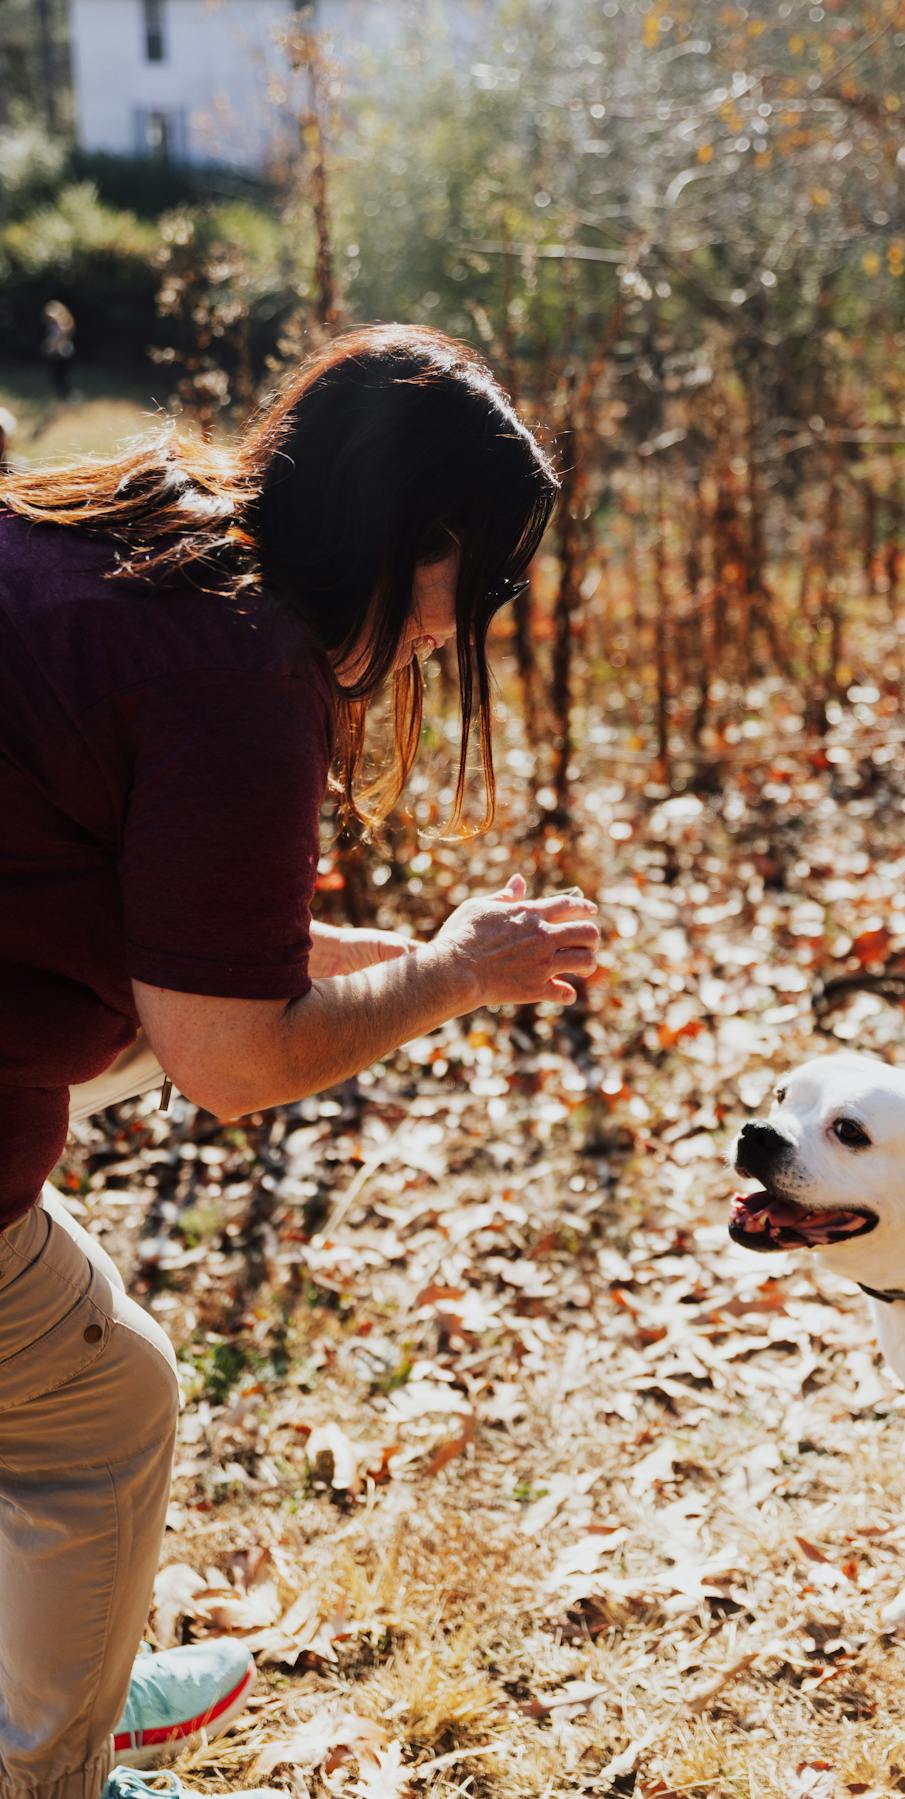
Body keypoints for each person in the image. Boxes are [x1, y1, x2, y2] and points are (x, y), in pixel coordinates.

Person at [0, 323, 601, 1799]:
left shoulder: (139, 520)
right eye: (483, 585)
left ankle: (60, 1666)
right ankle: (52, 1757)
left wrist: (429, 949)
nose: (452, 631)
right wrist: (452, 975)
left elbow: (200, 934)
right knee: (101, 1402)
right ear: (426, 533)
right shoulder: (239, 666)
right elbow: (230, 1055)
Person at [40, 300, 76, 401]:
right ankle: (63, 399)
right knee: (56, 380)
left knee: (60, 380)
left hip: (61, 355)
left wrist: (50, 346)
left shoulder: (62, 325)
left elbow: (58, 340)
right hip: (56, 355)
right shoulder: (53, 325)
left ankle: (69, 399)